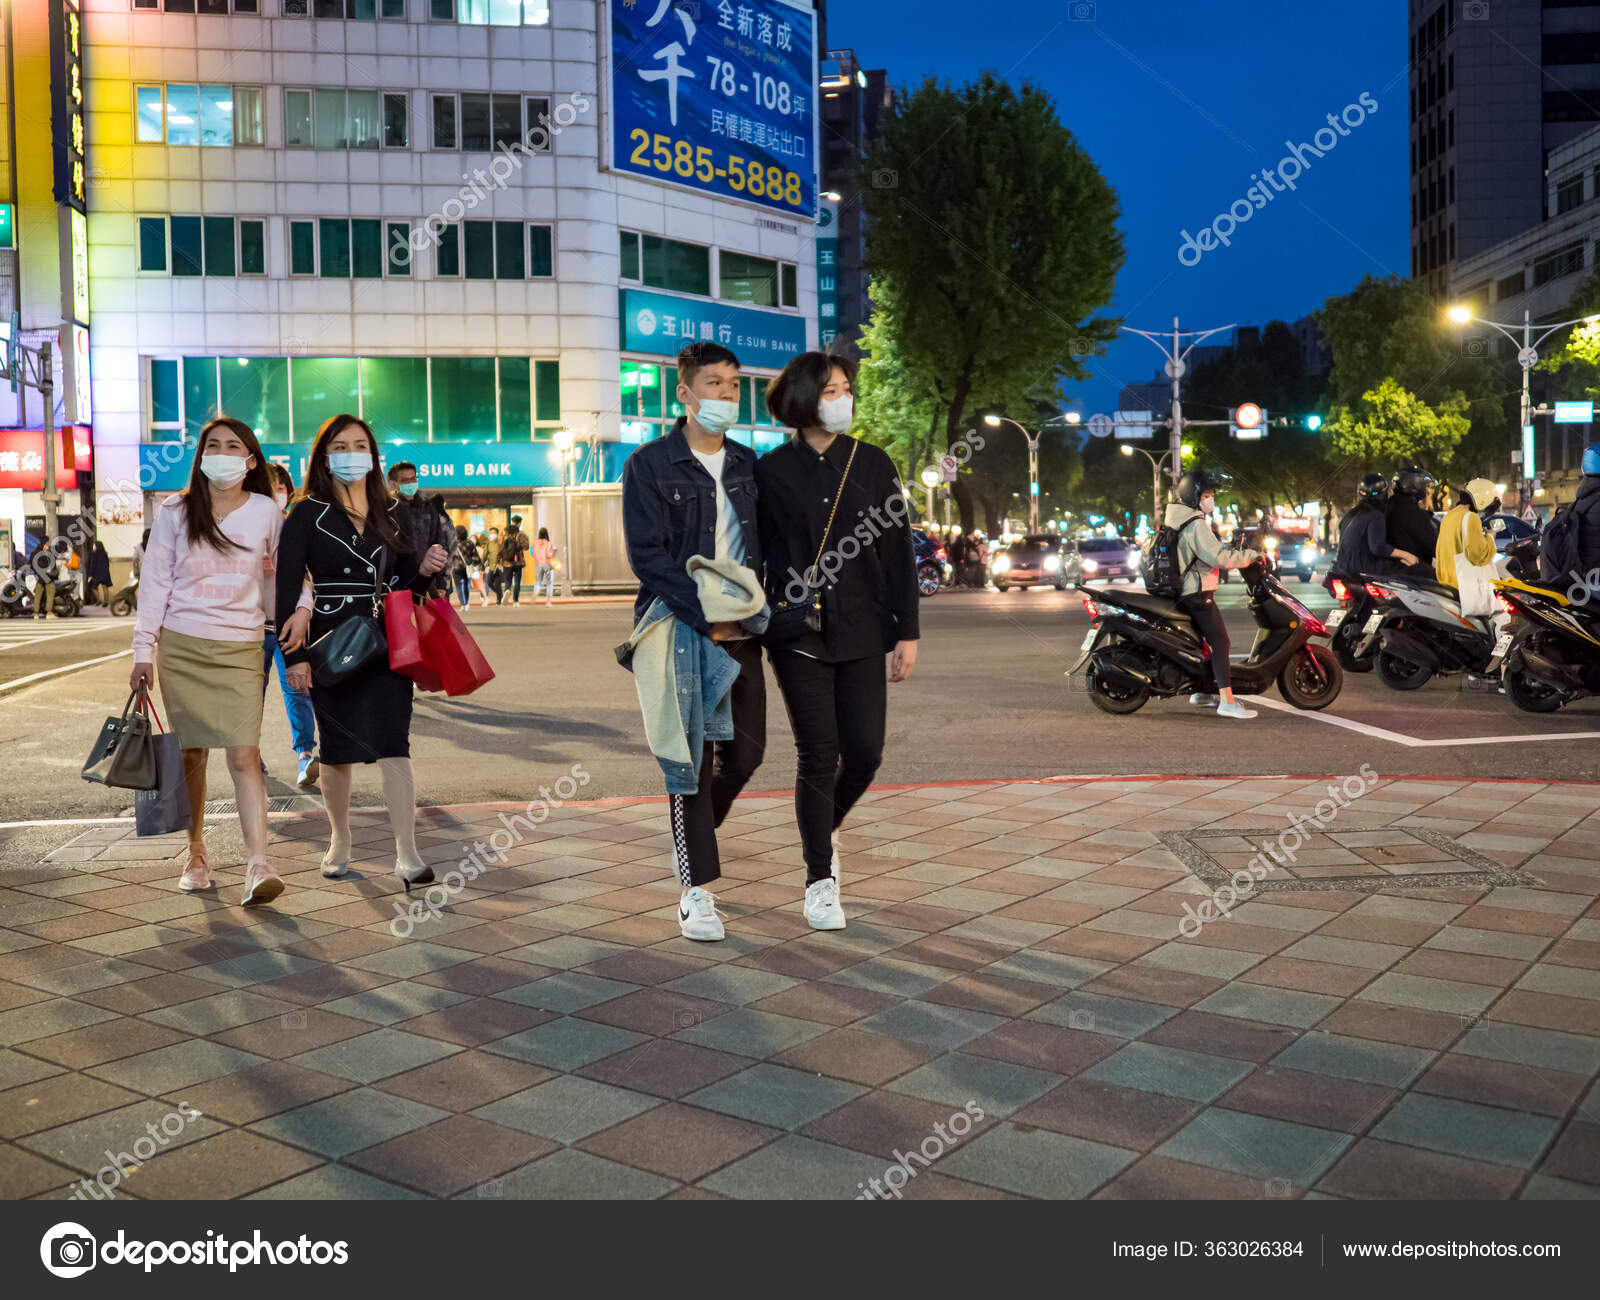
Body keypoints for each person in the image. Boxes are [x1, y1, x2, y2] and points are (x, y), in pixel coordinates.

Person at [757, 350, 919, 932]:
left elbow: (897, 552)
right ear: (802, 397)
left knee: (866, 753)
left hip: (864, 628)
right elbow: (757, 555)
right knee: (818, 754)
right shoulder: (770, 471)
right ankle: (819, 878)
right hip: (796, 633)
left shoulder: (873, 463)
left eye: (846, 389)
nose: (842, 399)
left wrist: (907, 631)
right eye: (830, 390)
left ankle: (820, 833)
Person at [621, 340, 765, 943]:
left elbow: (764, 548)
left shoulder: (748, 463)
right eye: (713, 384)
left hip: (744, 630)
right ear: (684, 393)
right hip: (682, 628)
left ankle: (696, 835)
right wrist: (708, 617)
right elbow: (647, 557)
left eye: (733, 385)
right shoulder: (650, 464)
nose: (726, 395)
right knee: (692, 766)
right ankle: (695, 891)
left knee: (748, 755)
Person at [275, 415, 449, 891]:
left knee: (395, 743)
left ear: (372, 456)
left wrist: (426, 570)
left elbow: (405, 587)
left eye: (359, 445)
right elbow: (286, 589)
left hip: (386, 641)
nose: (350, 454)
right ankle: (340, 839)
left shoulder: (393, 511)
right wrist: (294, 659)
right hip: (329, 643)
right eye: (339, 446)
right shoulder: (305, 514)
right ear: (323, 457)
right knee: (337, 751)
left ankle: (407, 852)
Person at [129, 417, 286, 906]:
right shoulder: (176, 511)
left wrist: (294, 609)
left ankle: (258, 863)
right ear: (201, 457)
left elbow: (283, 578)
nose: (221, 453)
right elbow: (156, 581)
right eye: (212, 445)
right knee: (191, 754)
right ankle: (196, 852)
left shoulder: (266, 511)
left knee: (244, 754)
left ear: (251, 460)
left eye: (233, 446)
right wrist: (143, 649)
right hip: (183, 647)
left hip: (242, 646)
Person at [1165, 470, 1261, 720]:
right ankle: (1227, 702)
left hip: (1185, 591)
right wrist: (1252, 556)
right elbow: (1217, 557)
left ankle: (1201, 693)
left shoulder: (1178, 519)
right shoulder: (1195, 524)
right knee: (1221, 643)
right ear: (1194, 496)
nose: (1211, 499)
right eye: (1207, 495)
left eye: (1212, 495)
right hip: (1197, 592)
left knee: (1203, 644)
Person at [261, 463, 319, 788]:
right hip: (253, 627)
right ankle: (249, 755)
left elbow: (306, 578)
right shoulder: (245, 525)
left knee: (298, 689)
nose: (276, 493)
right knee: (249, 699)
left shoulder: (293, 526)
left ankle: (305, 756)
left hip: (287, 626)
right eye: (270, 488)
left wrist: (304, 610)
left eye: (280, 487)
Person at [387, 462, 453, 600]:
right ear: (393, 484)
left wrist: (441, 581)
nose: (410, 483)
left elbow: (438, 543)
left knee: (428, 613)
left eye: (413, 479)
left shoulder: (427, 508)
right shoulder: (387, 509)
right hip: (396, 583)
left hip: (426, 580)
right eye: (405, 480)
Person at [1335, 474, 1418, 577]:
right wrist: (1407, 555)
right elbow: (1378, 547)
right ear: (1384, 494)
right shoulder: (1375, 515)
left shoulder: (1350, 515)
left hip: (1343, 567)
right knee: (1419, 570)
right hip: (1364, 568)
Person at [1437, 478, 1500, 590]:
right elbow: (1477, 555)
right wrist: (1491, 536)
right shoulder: (1471, 517)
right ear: (1483, 500)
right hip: (1463, 586)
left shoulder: (1449, 515)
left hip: (1446, 581)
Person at [1386, 465, 1439, 571]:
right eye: (1424, 486)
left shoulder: (1388, 507)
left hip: (1390, 569)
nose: (1426, 491)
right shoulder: (1413, 513)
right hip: (1413, 570)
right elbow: (1434, 547)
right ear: (1415, 486)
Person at [500, 514, 529, 606]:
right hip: (518, 562)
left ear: (512, 522)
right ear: (519, 523)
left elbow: (500, 546)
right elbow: (526, 547)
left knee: (508, 580)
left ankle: (507, 589)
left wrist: (500, 559)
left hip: (507, 562)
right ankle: (515, 601)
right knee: (517, 581)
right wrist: (518, 546)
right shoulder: (521, 534)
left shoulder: (504, 533)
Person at [450, 525, 480, 610]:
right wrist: (473, 563)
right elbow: (475, 556)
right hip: (467, 567)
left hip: (456, 567)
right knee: (467, 585)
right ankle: (466, 603)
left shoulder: (452, 543)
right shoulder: (470, 543)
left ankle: (462, 603)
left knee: (459, 586)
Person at [531, 526, 556, 605]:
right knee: (549, 582)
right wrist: (554, 551)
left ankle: (535, 593)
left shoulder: (535, 543)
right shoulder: (548, 543)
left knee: (538, 582)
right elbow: (549, 555)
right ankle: (548, 601)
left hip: (538, 564)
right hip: (547, 564)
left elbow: (532, 554)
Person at [481, 526, 503, 604]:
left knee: (497, 584)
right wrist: (482, 564)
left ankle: (499, 599)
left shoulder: (501, 543)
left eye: (494, 533)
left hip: (499, 567)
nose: (492, 535)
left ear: (497, 534)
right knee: (489, 583)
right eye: (490, 533)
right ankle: (500, 594)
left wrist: (501, 563)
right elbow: (484, 555)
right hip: (491, 567)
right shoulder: (489, 544)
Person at [87, 540, 112, 607]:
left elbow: (92, 565)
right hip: (105, 573)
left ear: (96, 546)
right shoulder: (105, 554)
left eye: (94, 545)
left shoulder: (94, 554)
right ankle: (106, 602)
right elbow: (107, 564)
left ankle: (99, 600)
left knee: (93, 587)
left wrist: (90, 575)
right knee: (105, 587)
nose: (93, 547)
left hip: (96, 574)